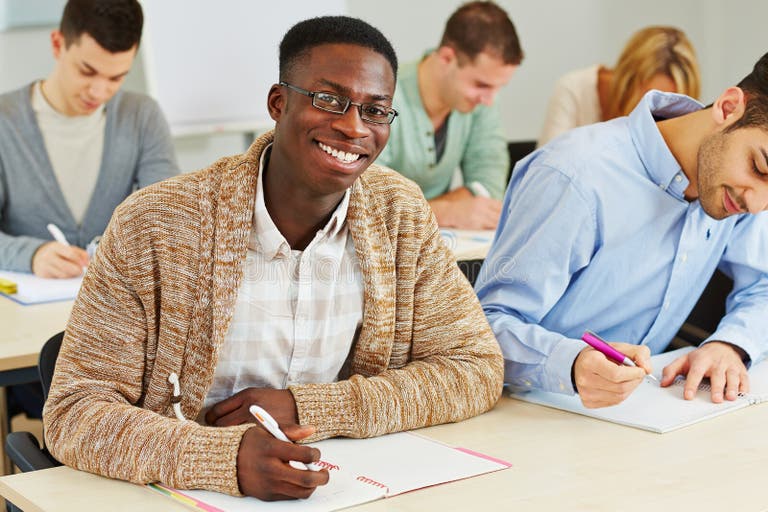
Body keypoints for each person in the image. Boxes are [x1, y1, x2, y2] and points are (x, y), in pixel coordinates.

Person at [43, 16, 503, 500]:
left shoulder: (399, 213)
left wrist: (307, 409)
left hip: (344, 488)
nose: (353, 127)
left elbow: (475, 367)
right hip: (179, 494)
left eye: (375, 111)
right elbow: (75, 410)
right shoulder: (155, 223)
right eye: (328, 100)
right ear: (278, 104)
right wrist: (223, 459)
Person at [476, 51, 768, 410]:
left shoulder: (741, 193)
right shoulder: (574, 175)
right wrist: (572, 363)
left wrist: (731, 344)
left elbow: (763, 286)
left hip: (638, 419)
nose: (758, 206)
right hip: (527, 413)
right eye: (760, 167)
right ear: (727, 108)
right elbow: (485, 328)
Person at [0, 0, 178, 279]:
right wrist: (31, 256)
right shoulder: (5, 122)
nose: (99, 91)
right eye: (87, 71)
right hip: (26, 313)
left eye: (116, 77)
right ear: (58, 45)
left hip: (114, 310)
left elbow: (168, 220)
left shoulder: (142, 116)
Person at [376, 1, 522, 230]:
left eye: (498, 88)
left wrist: (423, 211)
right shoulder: (380, 96)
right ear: (446, 58)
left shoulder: (482, 101)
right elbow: (368, 200)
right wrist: (441, 212)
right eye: (481, 84)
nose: (489, 99)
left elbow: (489, 187)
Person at [538, 25, 701, 146]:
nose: (654, 114)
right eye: (648, 98)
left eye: (669, 106)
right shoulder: (574, 90)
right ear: (625, 82)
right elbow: (545, 171)